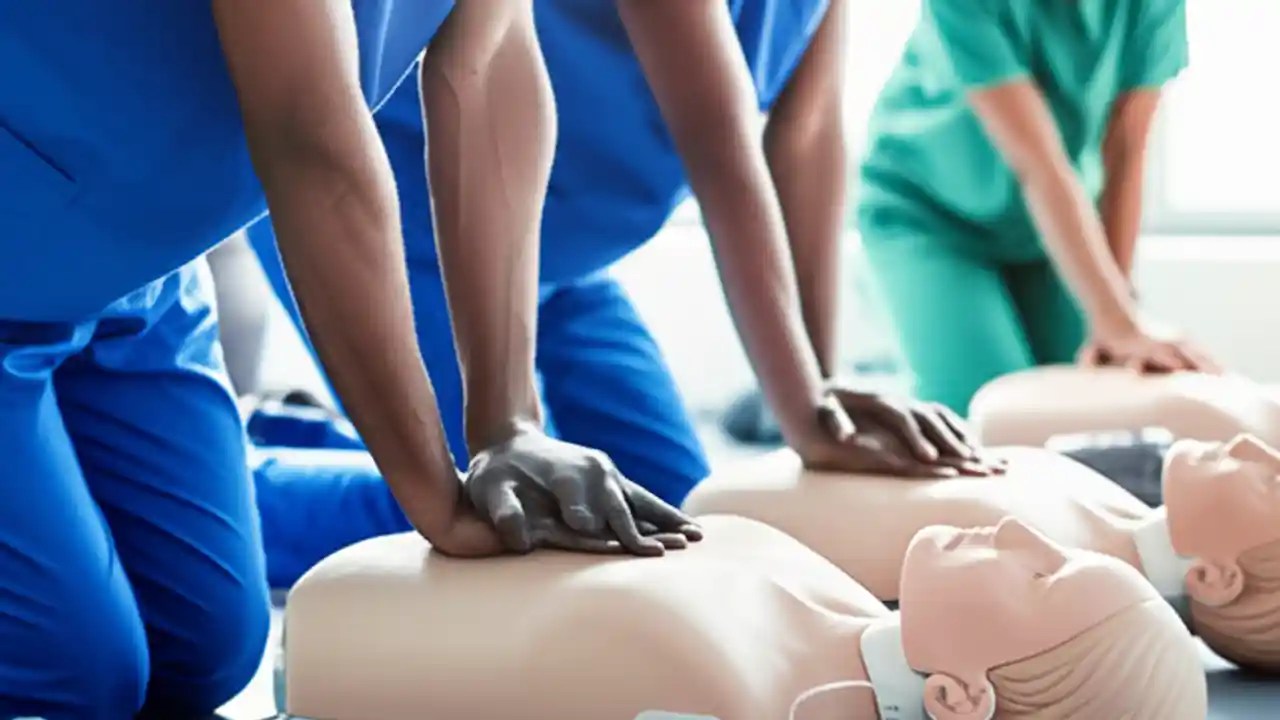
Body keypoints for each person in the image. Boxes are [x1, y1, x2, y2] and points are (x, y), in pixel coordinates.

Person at [1, 3, 707, 717]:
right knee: (78, 676)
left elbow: (488, 64)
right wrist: (434, 496)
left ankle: (243, 440)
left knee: (204, 652)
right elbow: (312, 142)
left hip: (138, 281)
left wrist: (508, 423)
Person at [242, 0, 999, 561]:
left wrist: (820, 396)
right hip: (409, 245)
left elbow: (804, 140)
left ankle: (286, 427)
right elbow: (720, 141)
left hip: (566, 265)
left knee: (680, 510)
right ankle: (232, 478)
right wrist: (804, 408)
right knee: (494, 510)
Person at [856, 0, 1218, 415]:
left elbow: (1125, 152)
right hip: (927, 216)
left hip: (1049, 231)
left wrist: (1120, 317)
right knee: (988, 413)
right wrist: (1116, 320)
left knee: (1091, 409)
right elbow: (1038, 163)